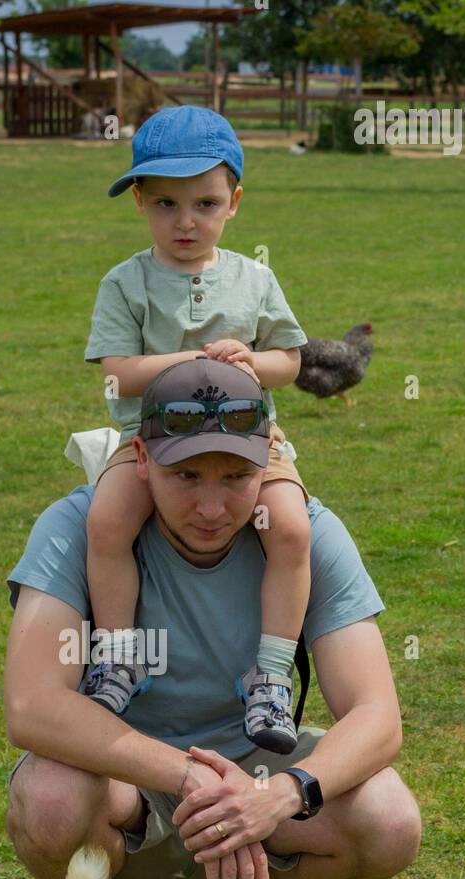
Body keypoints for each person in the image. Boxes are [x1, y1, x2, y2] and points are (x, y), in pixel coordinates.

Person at [3, 357, 421, 879]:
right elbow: (30, 706)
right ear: (140, 458)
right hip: (119, 781)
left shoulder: (308, 533)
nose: (210, 506)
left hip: (257, 774)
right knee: (49, 800)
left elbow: (376, 716)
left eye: (235, 477)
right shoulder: (77, 525)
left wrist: (274, 797)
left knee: (389, 822)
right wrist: (193, 778)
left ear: (270, 459)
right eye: (183, 476)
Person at [83, 105, 310, 754]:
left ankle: (267, 674)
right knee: (105, 523)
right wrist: (186, 359)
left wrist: (250, 359)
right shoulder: (125, 283)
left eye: (204, 203)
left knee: (291, 527)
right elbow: (117, 376)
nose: (185, 221)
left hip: (246, 440)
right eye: (164, 204)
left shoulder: (254, 278)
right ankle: (120, 656)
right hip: (152, 444)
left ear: (233, 202)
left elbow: (289, 362)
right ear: (138, 203)